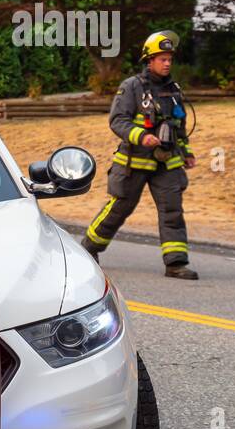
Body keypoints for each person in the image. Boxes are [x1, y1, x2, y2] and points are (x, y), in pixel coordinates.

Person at [81, 30, 198, 279]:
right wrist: (141, 136)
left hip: (167, 162)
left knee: (172, 210)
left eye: (169, 59)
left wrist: (186, 152)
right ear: (149, 60)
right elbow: (117, 121)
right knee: (120, 207)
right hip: (134, 162)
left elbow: (180, 127)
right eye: (162, 59)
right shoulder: (132, 87)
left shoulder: (174, 90)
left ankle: (176, 262)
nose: (167, 63)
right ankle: (89, 248)